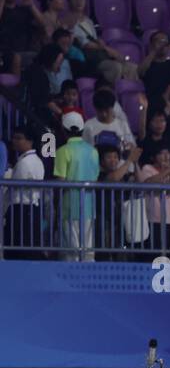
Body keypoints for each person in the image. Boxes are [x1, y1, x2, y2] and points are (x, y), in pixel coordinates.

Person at [53, 110, 99, 261]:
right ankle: (88, 283)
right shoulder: (93, 151)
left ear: (63, 129)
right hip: (89, 207)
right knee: (88, 252)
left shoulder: (62, 151)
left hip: (69, 207)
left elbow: (60, 181)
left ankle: (69, 284)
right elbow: (95, 178)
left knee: (70, 253)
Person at [61, 0, 131, 84]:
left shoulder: (88, 21)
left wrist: (103, 46)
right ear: (69, 1)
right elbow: (83, 44)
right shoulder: (67, 21)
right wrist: (106, 49)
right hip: (86, 60)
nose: (79, 1)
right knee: (115, 67)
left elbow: (94, 40)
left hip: (98, 55)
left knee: (130, 67)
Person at [138, 145, 170, 251]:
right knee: (152, 253)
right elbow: (147, 183)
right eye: (162, 153)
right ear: (154, 157)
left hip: (169, 220)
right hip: (152, 219)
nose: (166, 156)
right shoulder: (147, 168)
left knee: (168, 254)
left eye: (168, 153)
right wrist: (169, 171)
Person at [3, 124, 45, 254]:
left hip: (22, 209)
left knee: (18, 249)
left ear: (30, 141)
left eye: (19, 138)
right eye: (14, 138)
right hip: (28, 209)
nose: (15, 141)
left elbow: (14, 189)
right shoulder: (33, 160)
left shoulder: (26, 162)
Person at [0, 0, 42, 73]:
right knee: (16, 58)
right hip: (4, 52)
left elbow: (44, 26)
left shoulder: (23, 10)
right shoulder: (2, 9)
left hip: (25, 50)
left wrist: (32, 6)